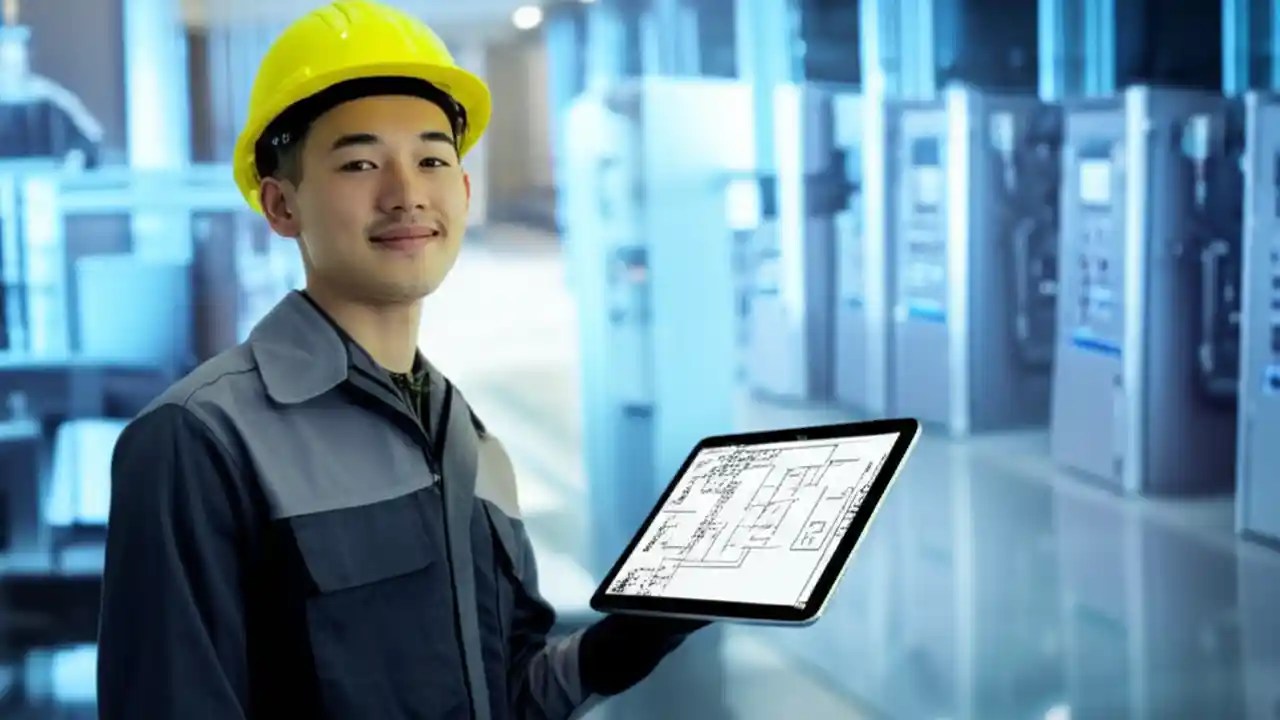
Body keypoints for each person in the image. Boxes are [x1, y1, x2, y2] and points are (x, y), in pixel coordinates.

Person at [95, 2, 708, 718]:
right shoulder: (197, 441)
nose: (406, 193)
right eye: (359, 162)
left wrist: (628, 641)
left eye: (431, 160)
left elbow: (506, 692)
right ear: (280, 204)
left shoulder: (468, 441)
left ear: (464, 191)